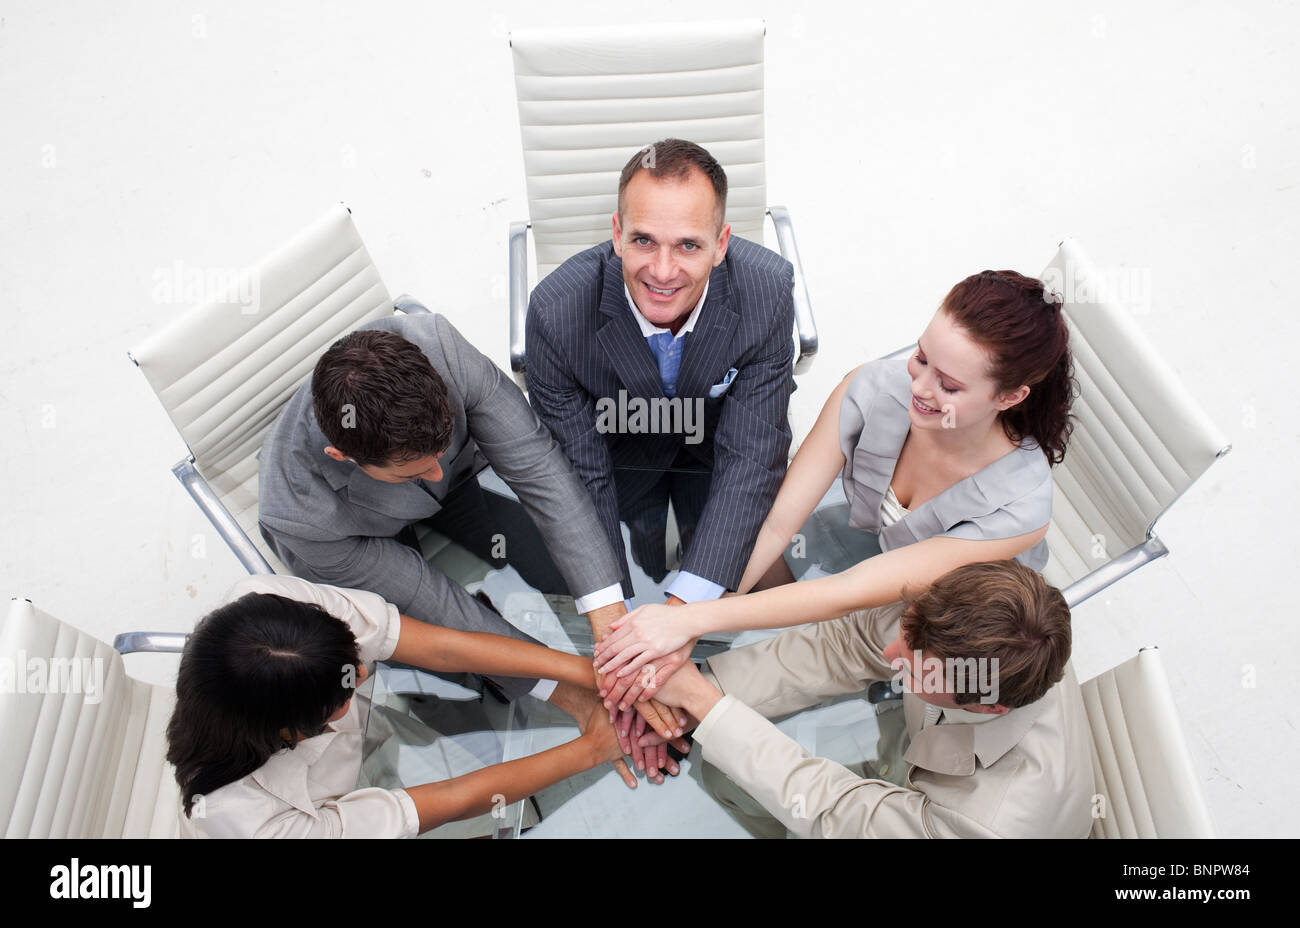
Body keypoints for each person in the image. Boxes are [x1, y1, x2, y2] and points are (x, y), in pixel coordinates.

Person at [593, 269, 1075, 709]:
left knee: (733, 691)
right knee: (724, 551)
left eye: (948, 385)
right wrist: (684, 625)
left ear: (1009, 397)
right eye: (921, 357)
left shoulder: (1019, 508)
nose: (921, 387)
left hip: (940, 628)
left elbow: (850, 591)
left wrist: (685, 624)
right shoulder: (872, 388)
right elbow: (779, 522)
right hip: (864, 558)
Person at [257, 312, 685, 749]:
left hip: (467, 483)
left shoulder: (440, 348)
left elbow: (539, 470)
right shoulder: (300, 516)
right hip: (362, 536)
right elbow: (434, 602)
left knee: (568, 571)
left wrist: (616, 635)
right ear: (342, 455)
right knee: (435, 664)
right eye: (416, 471)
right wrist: (571, 693)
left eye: (439, 454)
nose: (436, 474)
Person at [166, 574, 668, 838]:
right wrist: (594, 749)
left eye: (349, 658)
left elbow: (443, 647)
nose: (360, 674)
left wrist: (594, 670)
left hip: (378, 745)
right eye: (341, 694)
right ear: (291, 732)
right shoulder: (258, 823)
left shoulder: (272, 604)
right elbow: (446, 801)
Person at [525, 137, 796, 615]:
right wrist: (618, 617)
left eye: (688, 244)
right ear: (616, 234)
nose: (663, 271)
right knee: (644, 563)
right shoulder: (556, 313)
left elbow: (751, 459)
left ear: (721, 245)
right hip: (619, 462)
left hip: (719, 457)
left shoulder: (767, 292)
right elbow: (582, 475)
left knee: (761, 589)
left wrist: (678, 616)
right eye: (644, 240)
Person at [644, 560, 1095, 838]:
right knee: (730, 774)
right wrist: (702, 690)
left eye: (913, 668)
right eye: (905, 634)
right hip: (927, 766)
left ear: (987, 705)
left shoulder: (986, 827)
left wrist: (705, 705)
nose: (888, 655)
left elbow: (831, 809)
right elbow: (850, 642)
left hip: (940, 822)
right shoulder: (1008, 610)